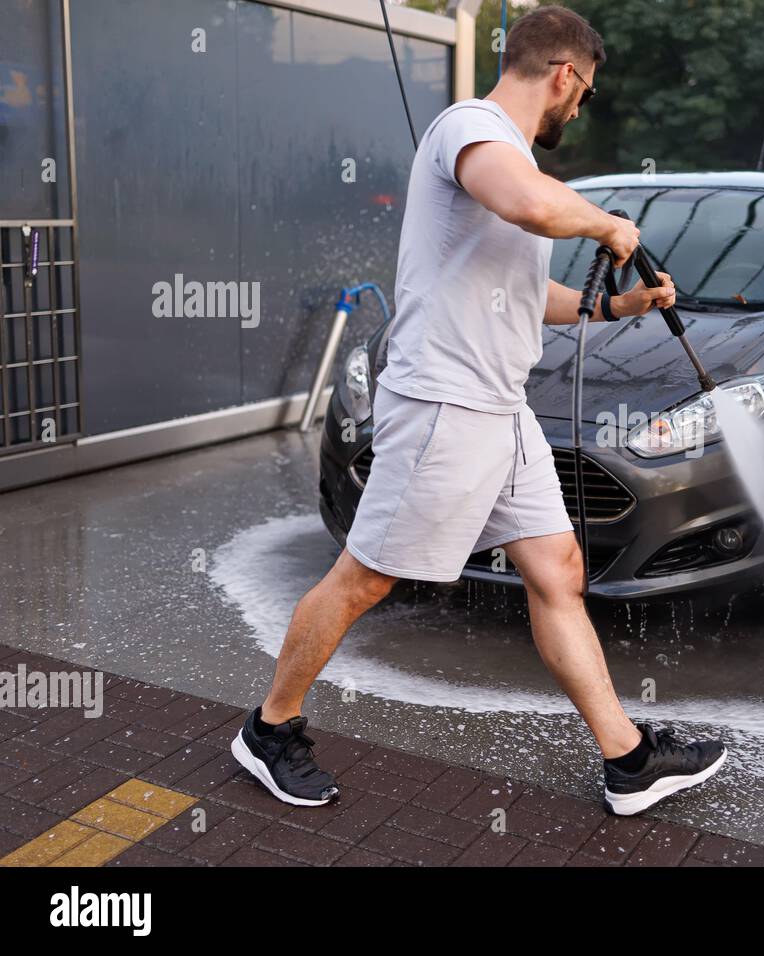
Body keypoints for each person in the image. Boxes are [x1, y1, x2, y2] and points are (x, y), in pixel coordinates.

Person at [232, 5, 727, 818]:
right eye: (586, 93)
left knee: (557, 571)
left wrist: (617, 306)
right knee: (365, 578)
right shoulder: (472, 130)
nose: (580, 108)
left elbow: (531, 295)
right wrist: (606, 222)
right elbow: (527, 204)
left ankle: (629, 761)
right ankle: (269, 728)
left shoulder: (523, 167)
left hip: (501, 409)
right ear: (566, 74)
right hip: (443, 404)